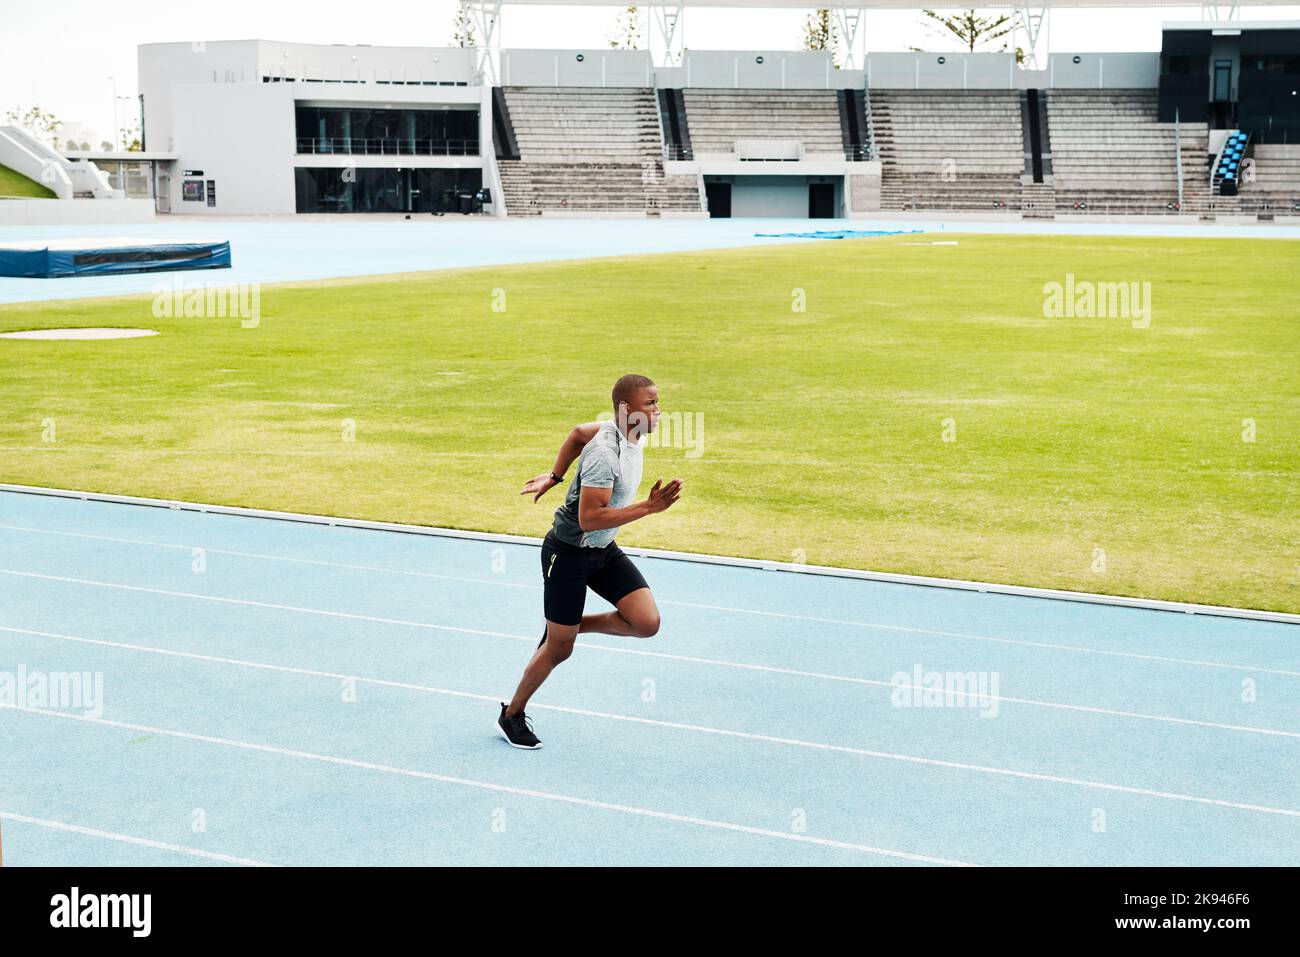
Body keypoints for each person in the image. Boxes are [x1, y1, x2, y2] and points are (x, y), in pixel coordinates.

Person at [497, 373, 682, 748]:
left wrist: (554, 476)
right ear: (626, 410)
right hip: (568, 554)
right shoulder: (604, 454)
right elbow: (589, 518)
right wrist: (647, 508)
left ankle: (566, 626)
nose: (658, 411)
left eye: (657, 402)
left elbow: (577, 432)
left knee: (646, 622)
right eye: (650, 404)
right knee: (560, 651)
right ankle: (512, 713)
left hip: (602, 550)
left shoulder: (624, 433)